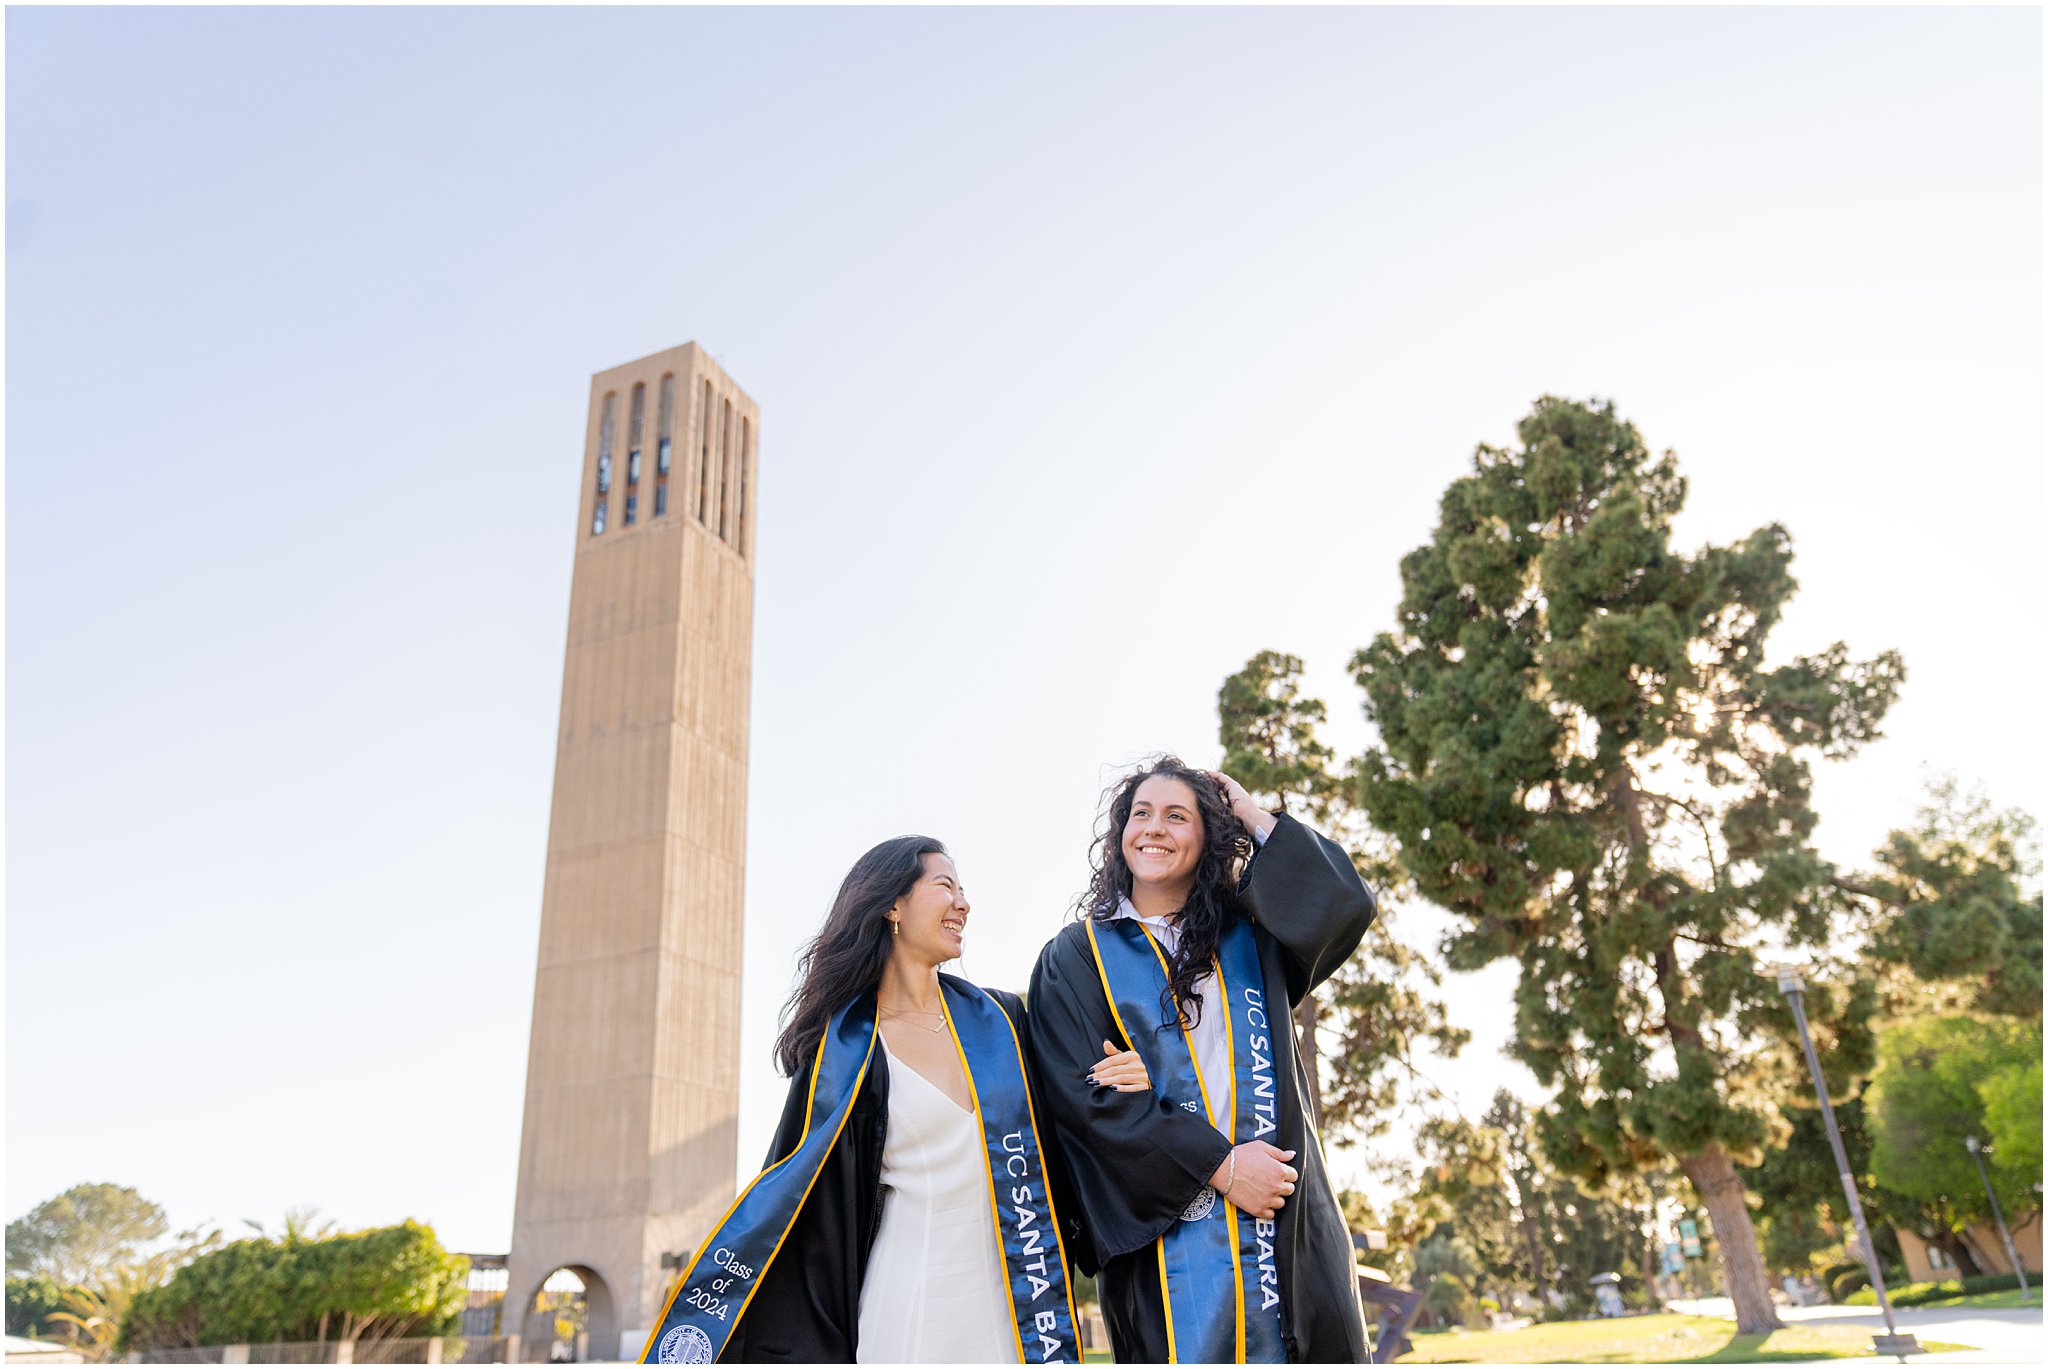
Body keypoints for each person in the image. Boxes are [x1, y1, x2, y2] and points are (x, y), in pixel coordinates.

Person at [640, 837, 1085, 1364]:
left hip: (1023, 1296)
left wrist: (1129, 1074)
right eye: (945, 886)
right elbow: (800, 1199)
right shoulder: (844, 1052)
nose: (963, 903)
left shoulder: (1002, 1021)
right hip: (913, 1303)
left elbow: (1072, 1118)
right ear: (892, 906)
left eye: (963, 890)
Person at [1027, 758, 1378, 1363]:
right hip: (1169, 1246)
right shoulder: (1078, 955)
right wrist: (1222, 1166)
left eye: (1176, 816)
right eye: (1141, 814)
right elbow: (1084, 1100)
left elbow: (1343, 903)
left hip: (1287, 1219)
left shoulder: (1254, 937)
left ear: (1208, 834)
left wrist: (1251, 814)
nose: (1153, 828)